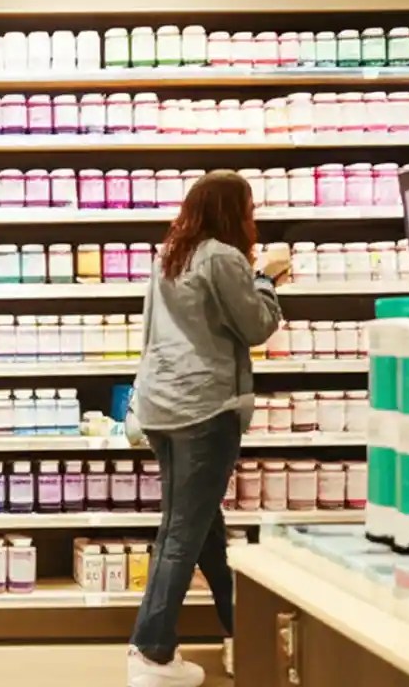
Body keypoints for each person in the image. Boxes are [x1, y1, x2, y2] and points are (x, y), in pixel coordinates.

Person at [125, 170, 288, 687]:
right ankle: (151, 653)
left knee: (202, 527)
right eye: (249, 209)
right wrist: (268, 278)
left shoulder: (169, 256)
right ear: (233, 212)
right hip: (203, 409)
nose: (252, 218)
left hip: (162, 406)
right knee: (181, 530)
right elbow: (257, 325)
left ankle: (244, 631)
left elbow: (150, 332)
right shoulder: (222, 257)